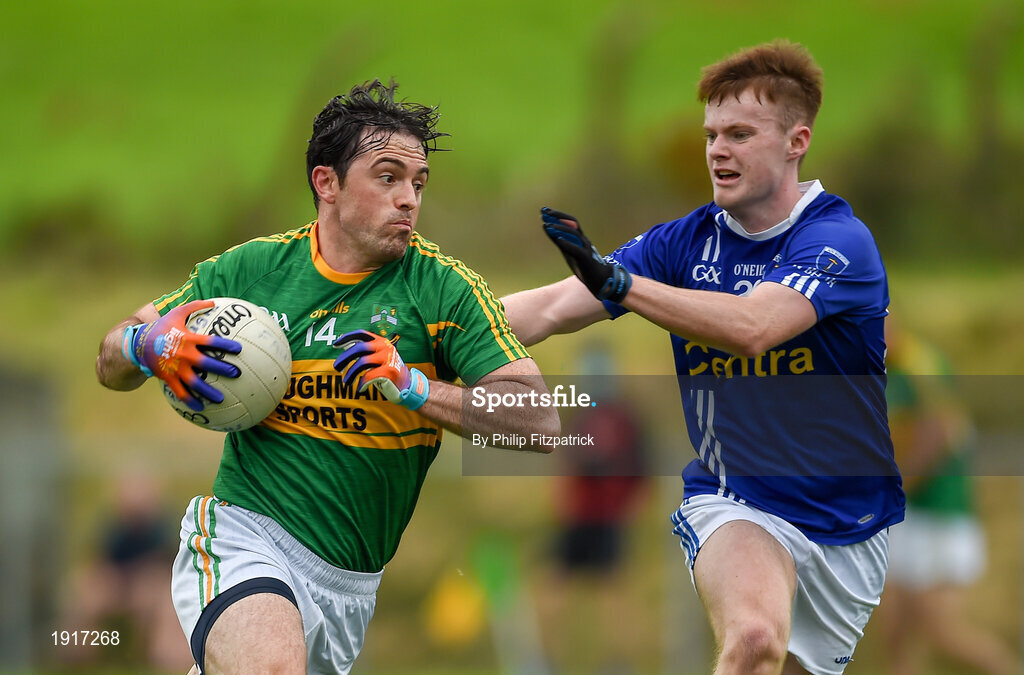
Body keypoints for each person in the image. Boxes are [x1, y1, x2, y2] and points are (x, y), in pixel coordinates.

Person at [95, 79, 560, 675]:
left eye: (418, 184)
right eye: (388, 177)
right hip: (244, 535)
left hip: (350, 586)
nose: (409, 199)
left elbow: (540, 422)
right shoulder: (252, 271)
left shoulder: (443, 289)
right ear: (327, 183)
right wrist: (146, 344)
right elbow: (110, 359)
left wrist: (414, 387)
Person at [502, 41, 904, 675]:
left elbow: (755, 327)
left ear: (796, 142)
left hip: (850, 526)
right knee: (753, 640)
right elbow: (548, 308)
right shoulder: (682, 243)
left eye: (740, 134)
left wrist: (621, 285)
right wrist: (428, 333)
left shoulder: (838, 241)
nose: (718, 150)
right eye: (711, 135)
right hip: (736, 499)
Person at [880, 317, 1021, 675]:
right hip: (908, 515)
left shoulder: (921, 363)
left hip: (940, 513)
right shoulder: (884, 369)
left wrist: (897, 487)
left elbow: (940, 432)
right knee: (895, 632)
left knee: (943, 631)